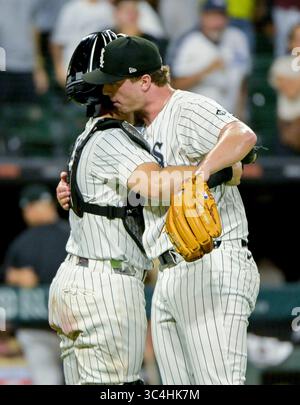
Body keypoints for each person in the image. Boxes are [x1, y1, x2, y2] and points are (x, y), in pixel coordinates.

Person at [57, 35, 259, 385]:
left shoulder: (184, 108)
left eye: (115, 83)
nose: (107, 92)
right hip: (168, 271)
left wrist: (201, 174)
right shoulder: (139, 127)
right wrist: (76, 191)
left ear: (145, 81)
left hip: (211, 263)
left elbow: (243, 136)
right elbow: (148, 193)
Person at [4, 184, 68, 385]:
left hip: (41, 329)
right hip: (68, 327)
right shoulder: (74, 234)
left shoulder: (21, 242)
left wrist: (11, 275)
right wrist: (10, 275)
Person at [167, 0, 251, 117]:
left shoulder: (237, 38)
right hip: (197, 116)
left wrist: (241, 115)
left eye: (221, 16)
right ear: (202, 17)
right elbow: (173, 85)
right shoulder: (188, 41)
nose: (217, 22)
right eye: (212, 16)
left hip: (231, 113)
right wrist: (207, 70)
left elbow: (243, 81)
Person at [269, 23, 300, 155]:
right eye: (298, 39)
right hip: (287, 128)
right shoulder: (280, 64)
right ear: (290, 43)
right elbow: (291, 92)